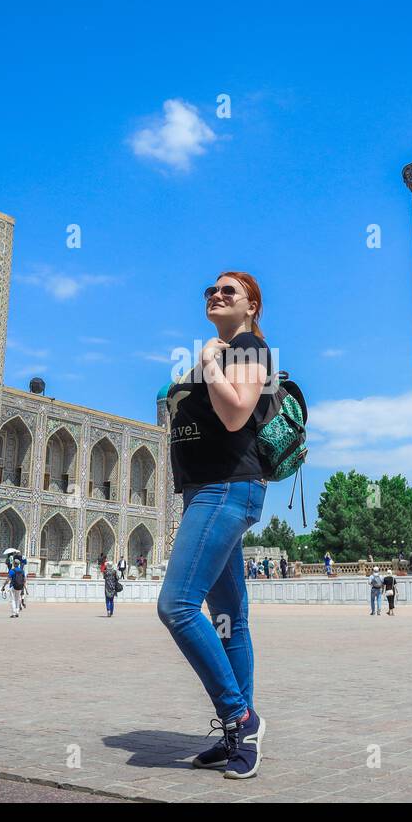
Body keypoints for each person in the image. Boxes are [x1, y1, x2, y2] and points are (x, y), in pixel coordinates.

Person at [159, 270, 271, 781]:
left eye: (229, 291)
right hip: (207, 492)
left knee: (177, 605)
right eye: (211, 289)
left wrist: (207, 360)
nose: (216, 295)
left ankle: (239, 717)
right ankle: (235, 739)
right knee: (229, 617)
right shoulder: (231, 349)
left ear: (251, 306)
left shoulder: (246, 347)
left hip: (226, 489)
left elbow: (235, 415)